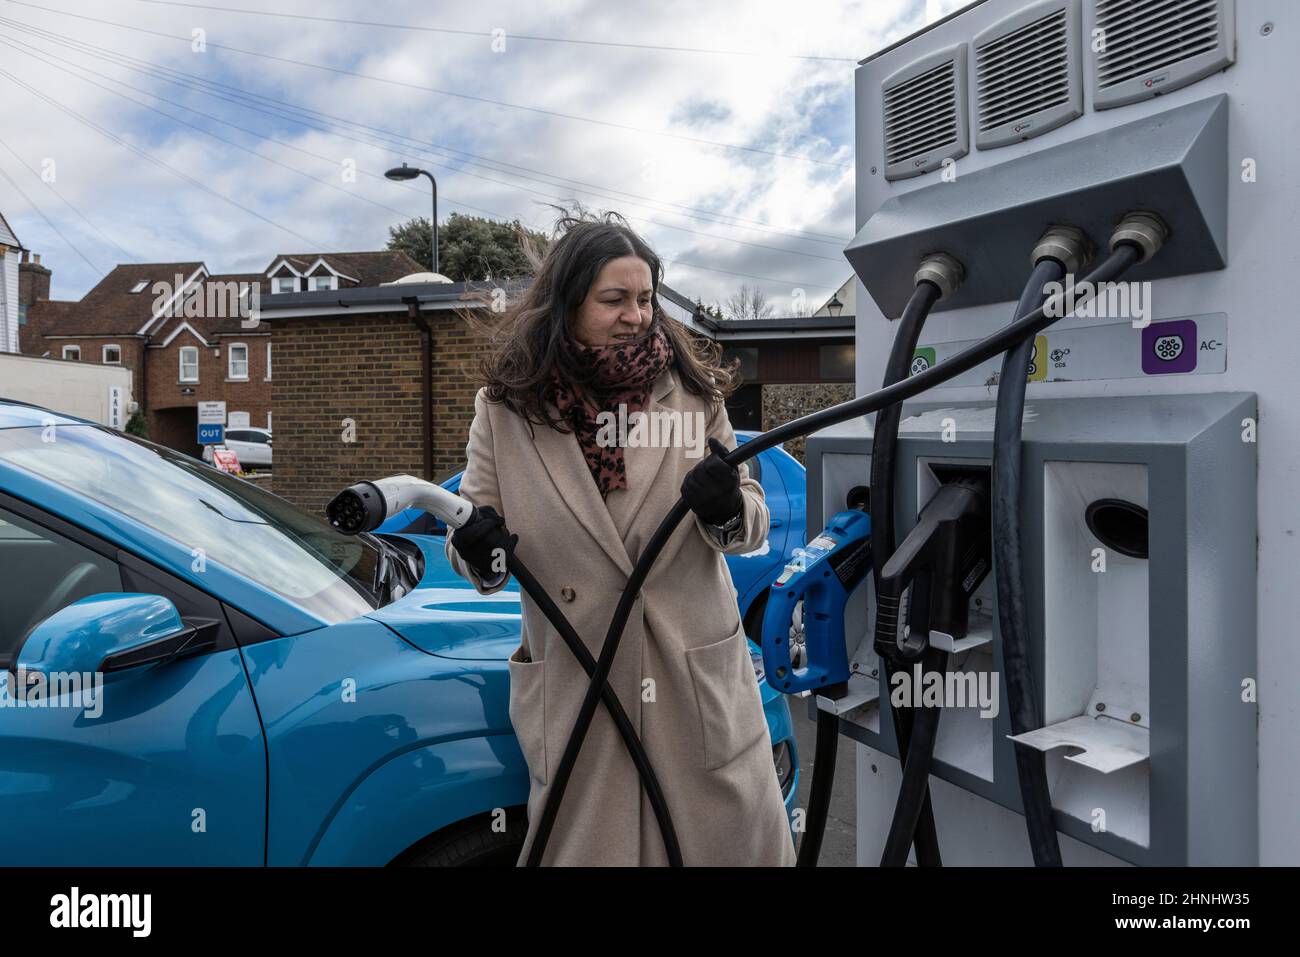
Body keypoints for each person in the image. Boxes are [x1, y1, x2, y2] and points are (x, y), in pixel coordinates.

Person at [444, 213, 797, 867]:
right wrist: (474, 545)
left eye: (644, 298)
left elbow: (749, 527)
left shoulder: (694, 398)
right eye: (615, 299)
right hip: (581, 687)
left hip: (688, 685)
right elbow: (478, 548)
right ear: (569, 303)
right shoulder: (504, 410)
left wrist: (724, 509)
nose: (636, 314)